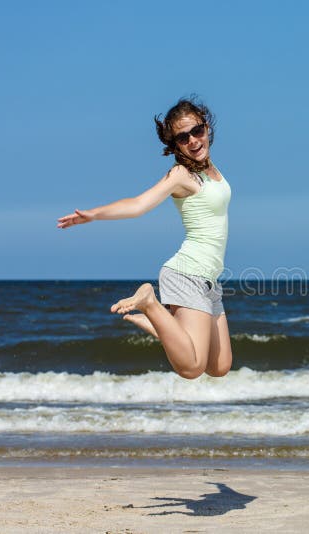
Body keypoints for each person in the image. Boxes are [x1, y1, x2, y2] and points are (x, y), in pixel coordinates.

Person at [57, 97, 232, 379]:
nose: (193, 141)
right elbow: (138, 204)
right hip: (188, 273)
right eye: (183, 137)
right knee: (191, 368)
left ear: (206, 126)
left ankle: (160, 322)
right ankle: (150, 301)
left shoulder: (211, 170)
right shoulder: (181, 174)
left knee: (220, 367)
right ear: (175, 145)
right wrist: (93, 214)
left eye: (196, 131)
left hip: (210, 278)